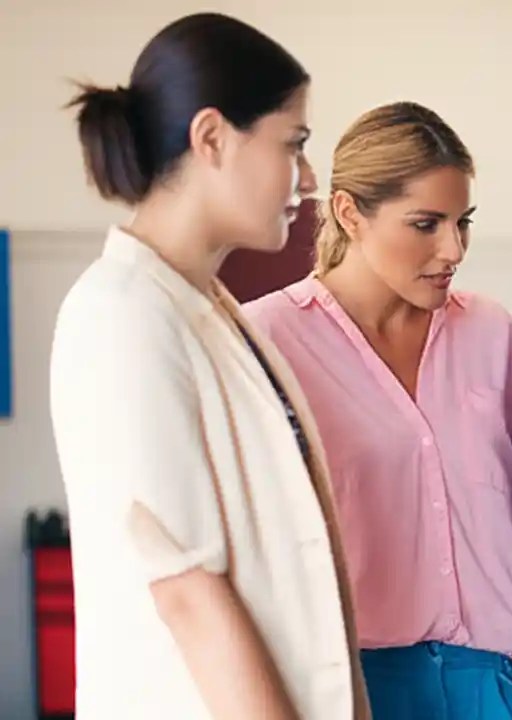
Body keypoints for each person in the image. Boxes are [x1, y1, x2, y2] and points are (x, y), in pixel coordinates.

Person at [49, 13, 370, 720]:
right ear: (212, 138)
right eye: (294, 144)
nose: (309, 178)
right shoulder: (123, 313)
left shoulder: (209, 307)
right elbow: (188, 593)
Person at [244, 101, 512, 720]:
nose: (453, 248)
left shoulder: (486, 328)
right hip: (351, 681)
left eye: (464, 222)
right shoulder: (267, 338)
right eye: (426, 223)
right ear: (350, 213)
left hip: (492, 675)